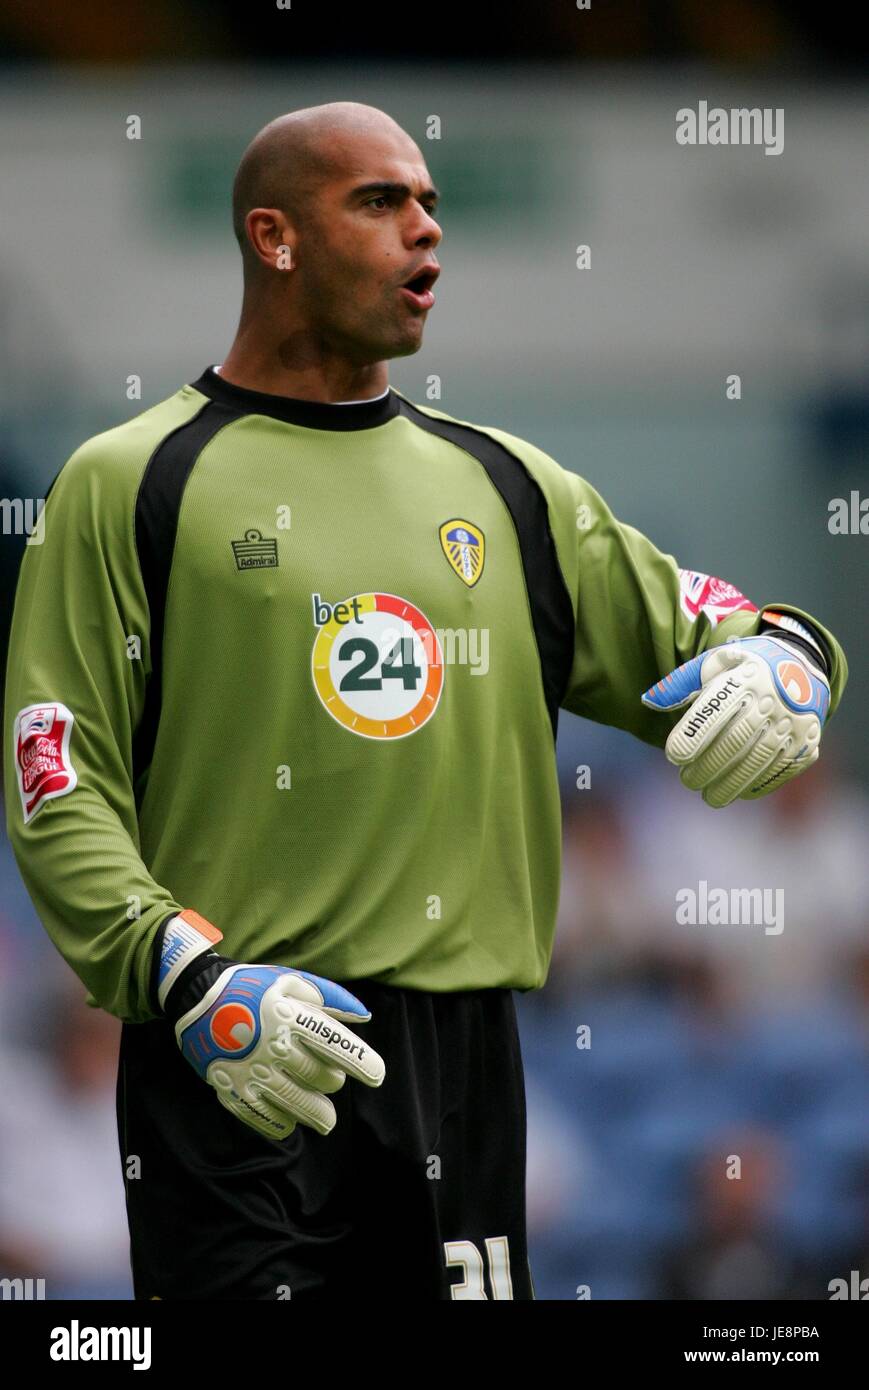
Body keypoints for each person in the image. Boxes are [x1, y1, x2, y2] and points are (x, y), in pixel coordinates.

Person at [3, 101, 847, 1301]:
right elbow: (54, 771)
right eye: (380, 202)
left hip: (461, 1064)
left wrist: (789, 660)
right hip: (236, 1050)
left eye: (432, 205)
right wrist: (182, 977)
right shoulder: (129, 480)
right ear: (275, 237)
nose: (424, 234)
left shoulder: (507, 488)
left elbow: (718, 626)